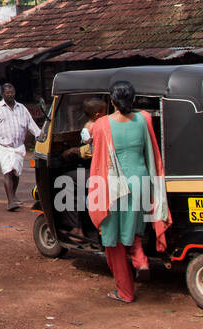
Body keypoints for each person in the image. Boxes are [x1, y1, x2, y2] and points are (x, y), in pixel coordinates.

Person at [87, 80, 170, 303]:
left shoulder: (102, 124)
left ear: (112, 102)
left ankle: (125, 292)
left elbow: (92, 148)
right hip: (142, 180)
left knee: (113, 240)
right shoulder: (144, 119)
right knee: (133, 231)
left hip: (115, 187)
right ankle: (140, 260)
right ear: (132, 100)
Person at [0, 82, 41, 211]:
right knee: (8, 171)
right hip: (4, 145)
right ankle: (10, 201)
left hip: (19, 146)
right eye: (7, 92)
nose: (10, 95)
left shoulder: (22, 108)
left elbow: (30, 123)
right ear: (3, 94)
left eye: (12, 92)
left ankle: (13, 195)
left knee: (16, 172)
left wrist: (40, 135)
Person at [57, 97, 106, 233]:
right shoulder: (97, 125)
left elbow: (93, 150)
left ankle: (76, 226)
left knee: (66, 179)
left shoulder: (95, 126)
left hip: (100, 170)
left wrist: (75, 151)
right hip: (103, 167)